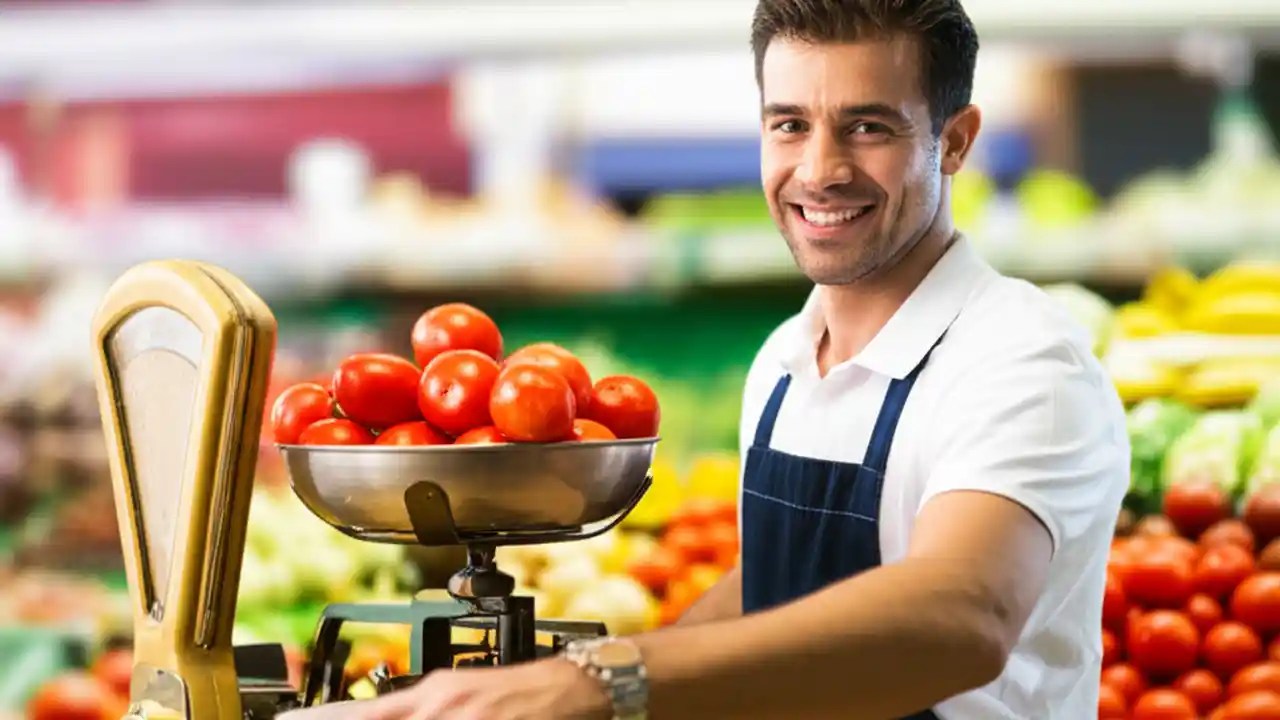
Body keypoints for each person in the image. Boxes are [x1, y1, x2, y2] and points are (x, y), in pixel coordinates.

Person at [282, 0, 1129, 717]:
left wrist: (601, 683)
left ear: (954, 140)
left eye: (868, 127)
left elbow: (963, 615)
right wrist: (560, 691)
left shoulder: (1020, 360)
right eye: (789, 125)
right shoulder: (787, 358)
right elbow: (780, 594)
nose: (819, 170)